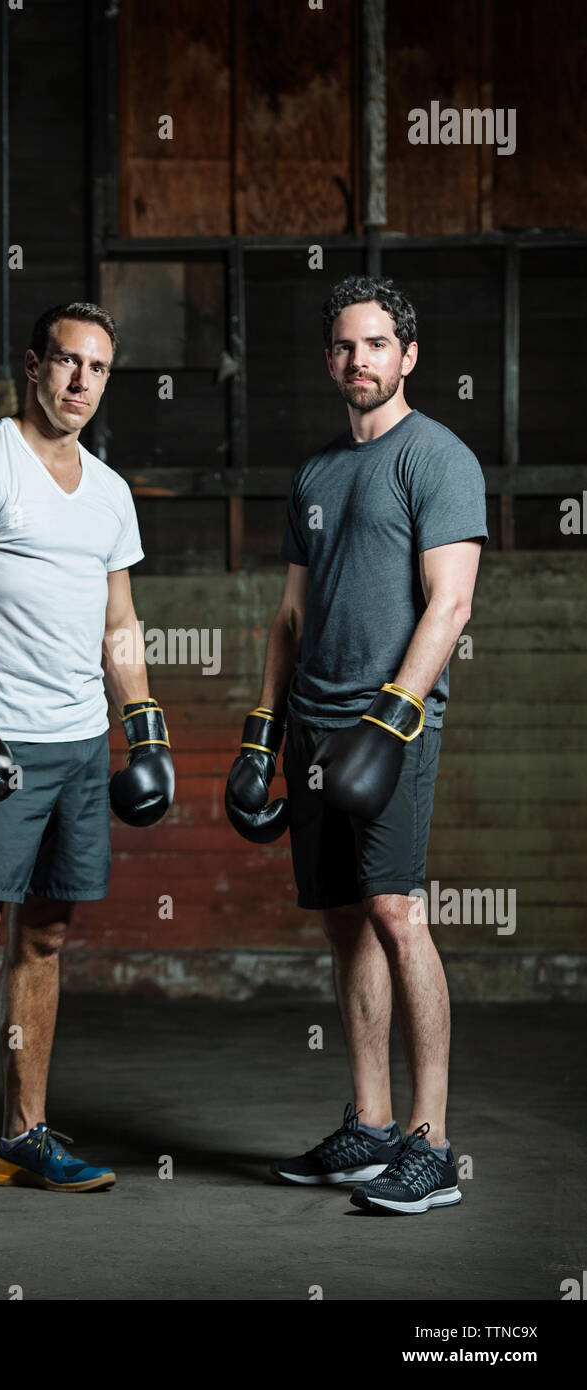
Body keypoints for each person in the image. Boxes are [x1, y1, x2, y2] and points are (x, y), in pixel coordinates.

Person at [0, 302, 173, 1215]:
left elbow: (119, 625)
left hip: (82, 742)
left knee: (46, 935)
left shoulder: (108, 492)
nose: (81, 382)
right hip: (1, 742)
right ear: (33, 365)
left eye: (98, 368)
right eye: (66, 362)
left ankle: (20, 1138)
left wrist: (146, 727)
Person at [225, 275, 487, 1214]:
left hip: (390, 727)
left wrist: (390, 719)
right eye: (342, 346)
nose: (357, 360)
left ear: (407, 356)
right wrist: (264, 730)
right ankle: (370, 1127)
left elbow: (449, 604)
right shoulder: (316, 473)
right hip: (313, 727)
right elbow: (290, 614)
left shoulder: (438, 457)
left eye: (375, 344)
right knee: (342, 916)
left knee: (394, 911)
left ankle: (431, 1142)